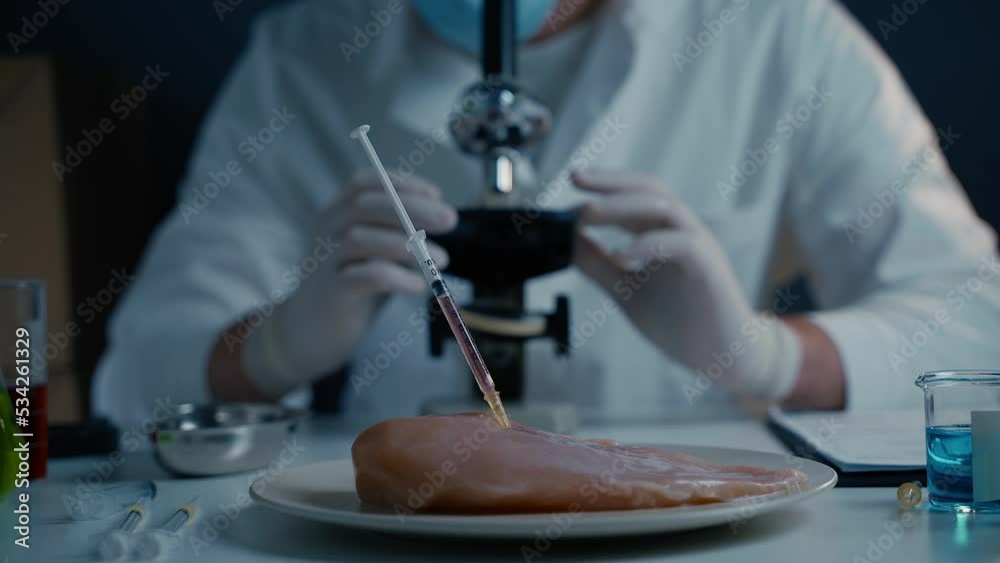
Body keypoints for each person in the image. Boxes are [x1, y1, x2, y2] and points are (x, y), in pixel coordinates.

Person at [93, 0, 1000, 425]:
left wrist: (761, 354)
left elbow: (977, 324)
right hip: (401, 526)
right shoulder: (309, 49)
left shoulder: (778, 32)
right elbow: (135, 381)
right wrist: (273, 347)